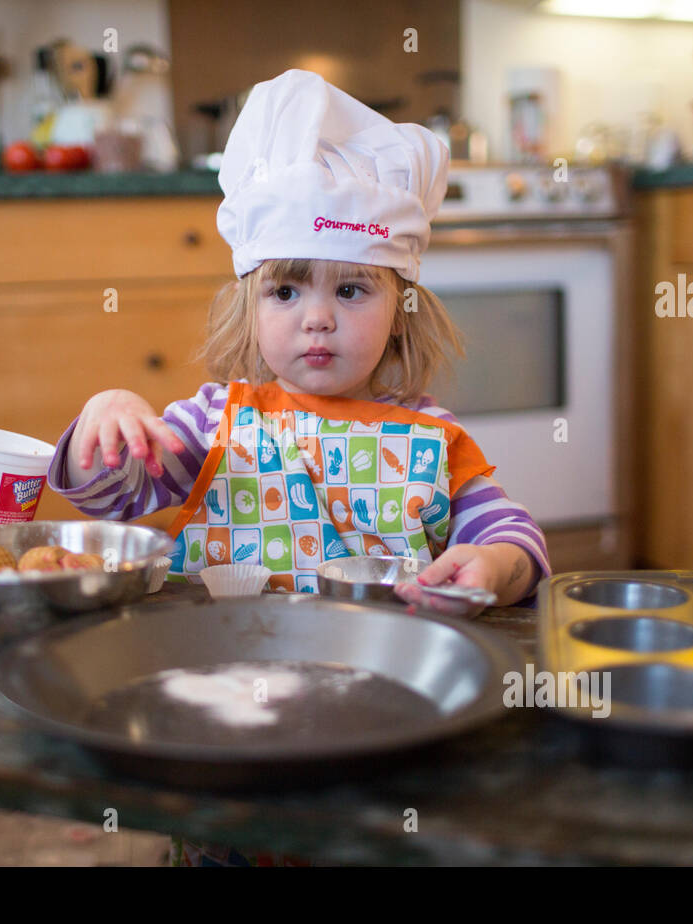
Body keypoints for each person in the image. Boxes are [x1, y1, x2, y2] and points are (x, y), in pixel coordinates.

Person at [46, 69, 551, 864]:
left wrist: (494, 562)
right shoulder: (214, 422)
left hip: (383, 732)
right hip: (222, 730)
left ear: (402, 309)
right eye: (286, 291)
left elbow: (510, 535)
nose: (317, 316)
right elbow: (118, 492)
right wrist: (106, 419)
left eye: (351, 289)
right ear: (251, 305)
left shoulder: (432, 437)